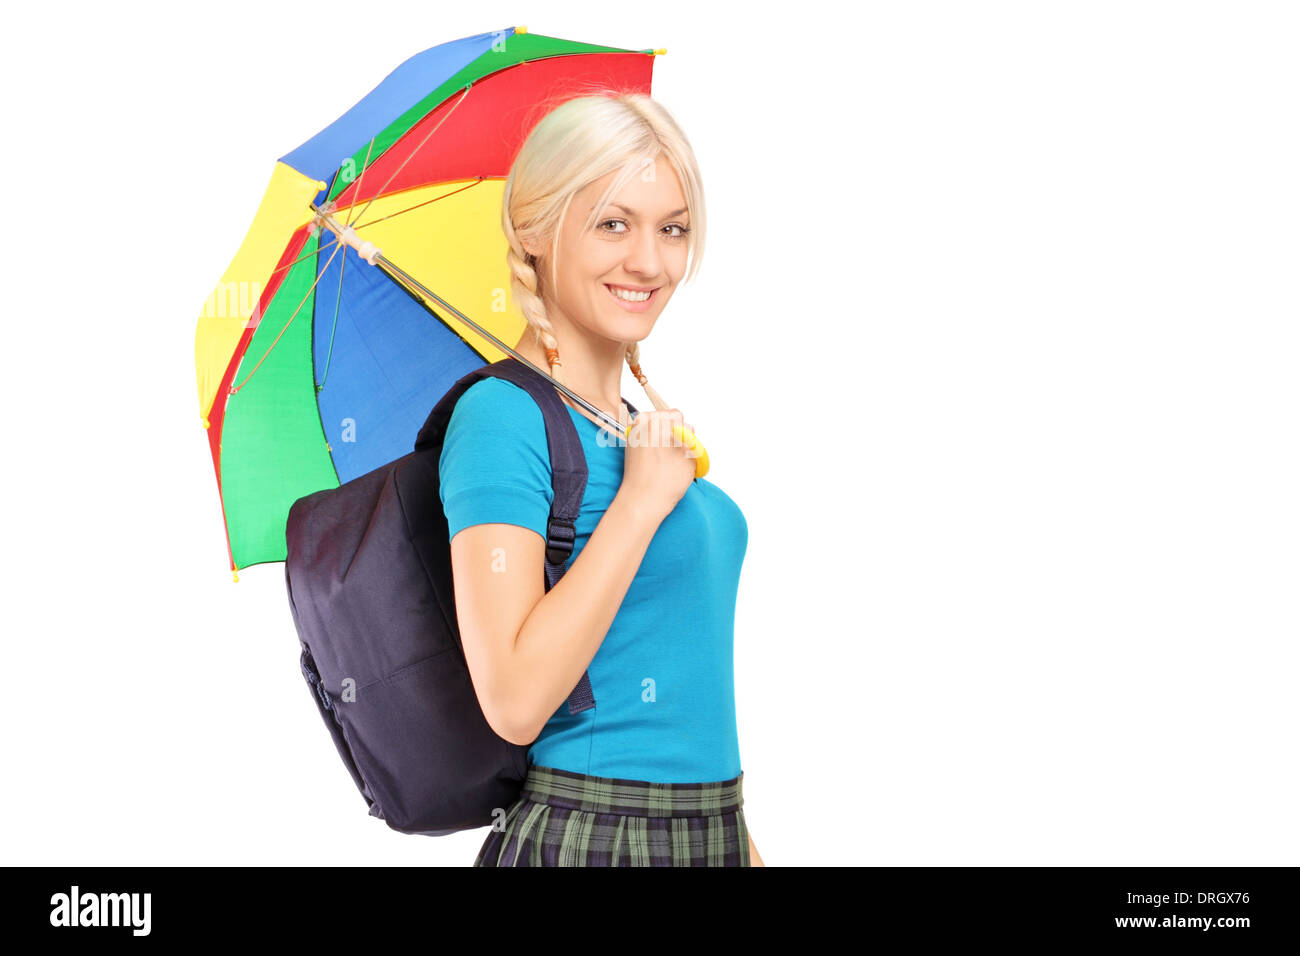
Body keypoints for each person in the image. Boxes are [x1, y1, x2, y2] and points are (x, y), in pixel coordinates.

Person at [439, 92, 764, 866]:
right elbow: (514, 700)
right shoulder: (501, 418)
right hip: (597, 837)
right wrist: (642, 503)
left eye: (672, 228)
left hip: (708, 829)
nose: (649, 262)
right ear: (532, 232)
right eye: (613, 223)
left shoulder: (626, 422)